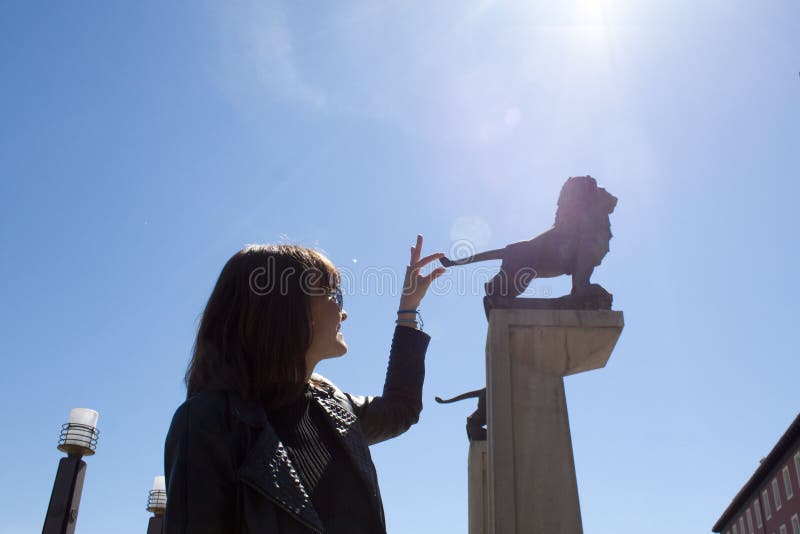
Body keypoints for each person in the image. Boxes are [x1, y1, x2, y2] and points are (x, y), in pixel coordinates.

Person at [164, 235, 446, 533]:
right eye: (334, 296)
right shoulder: (206, 423)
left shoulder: (335, 405)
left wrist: (408, 309)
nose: (344, 312)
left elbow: (401, 409)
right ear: (285, 308)